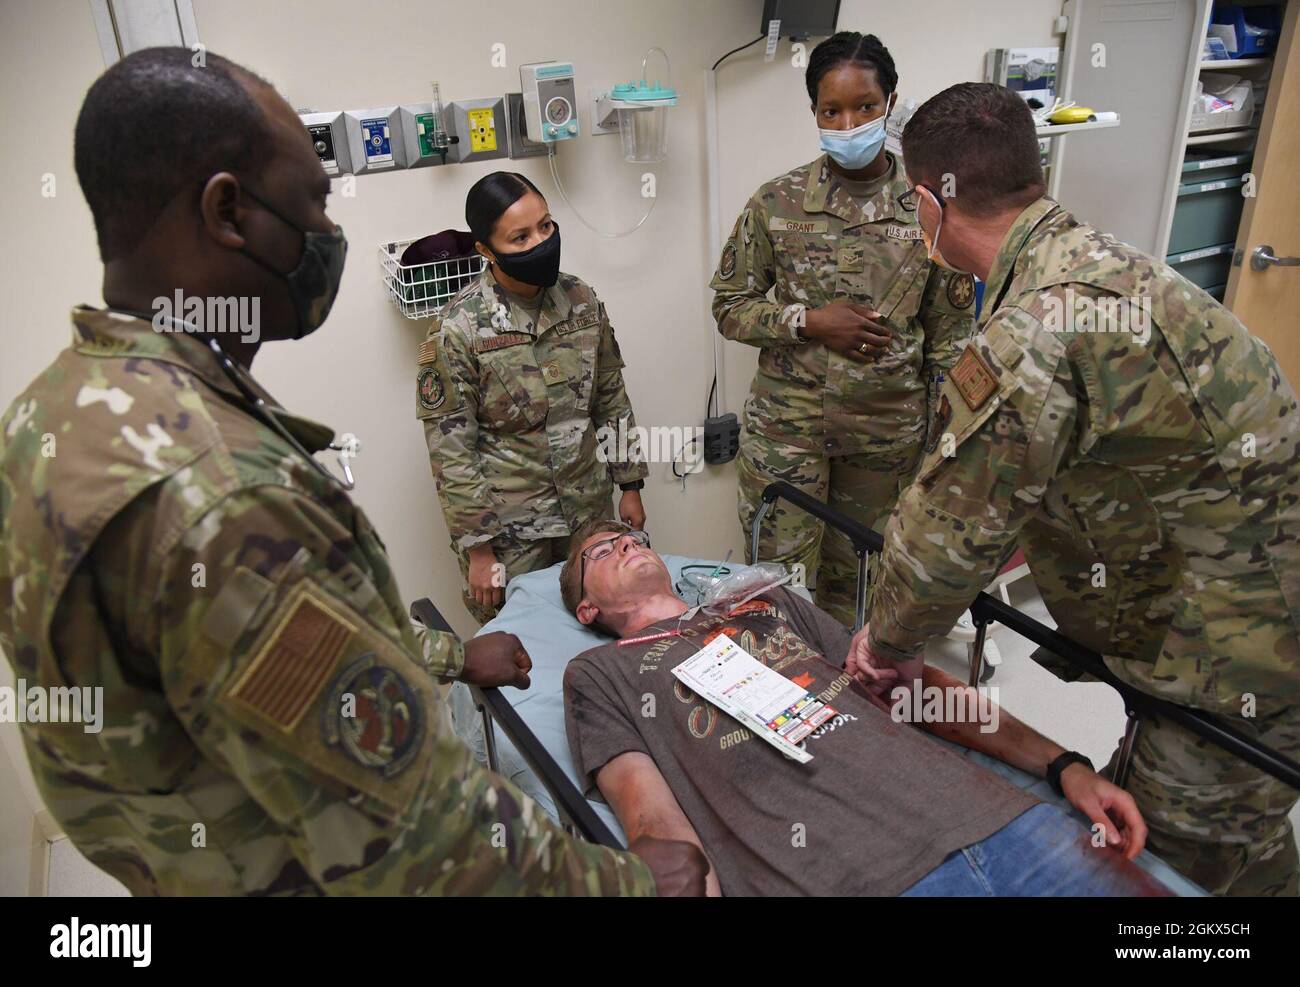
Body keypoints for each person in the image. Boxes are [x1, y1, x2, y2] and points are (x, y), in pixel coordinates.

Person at [0, 47, 706, 897]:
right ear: (229, 211)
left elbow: (284, 649)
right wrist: (625, 885)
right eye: (313, 205)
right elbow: (415, 828)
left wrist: (446, 655)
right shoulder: (228, 496)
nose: (329, 238)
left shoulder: (61, 408)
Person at [850, 81, 1300, 897]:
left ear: (927, 201)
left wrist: (885, 646)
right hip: (1254, 616)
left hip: (1236, 664)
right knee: (1246, 846)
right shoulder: (1107, 264)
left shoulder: (1034, 332)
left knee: (1157, 874)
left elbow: (948, 538)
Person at [557, 520, 1174, 896]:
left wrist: (1062, 764)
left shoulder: (762, 603)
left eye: (630, 537)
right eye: (601, 552)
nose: (625, 545)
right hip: (844, 879)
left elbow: (906, 685)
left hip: (1003, 824)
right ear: (587, 610)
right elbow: (652, 823)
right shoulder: (598, 674)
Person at [710, 32, 975, 626]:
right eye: (831, 110)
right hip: (790, 433)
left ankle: (853, 704)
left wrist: (943, 438)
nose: (847, 121)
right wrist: (806, 322)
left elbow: (952, 338)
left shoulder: (929, 205)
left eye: (864, 107)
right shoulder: (776, 203)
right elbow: (730, 307)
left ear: (891, 104)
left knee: (864, 580)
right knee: (778, 586)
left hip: (886, 437)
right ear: (814, 114)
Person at [419, 173, 647, 625]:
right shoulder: (459, 330)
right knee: (521, 651)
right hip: (511, 534)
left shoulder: (581, 301)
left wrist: (631, 485)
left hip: (588, 512)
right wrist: (479, 551)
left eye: (546, 226)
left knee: (603, 626)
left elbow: (610, 398)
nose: (540, 242)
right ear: (486, 250)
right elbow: (452, 452)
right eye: (520, 237)